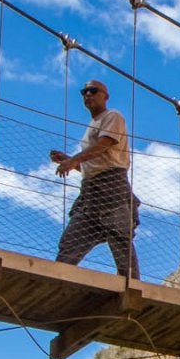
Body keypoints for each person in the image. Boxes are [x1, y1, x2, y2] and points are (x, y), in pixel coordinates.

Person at [50, 80, 137, 277]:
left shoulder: (112, 116)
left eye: (93, 90)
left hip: (111, 186)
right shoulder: (92, 125)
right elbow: (97, 163)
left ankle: (132, 285)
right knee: (71, 241)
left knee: (119, 237)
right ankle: (56, 279)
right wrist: (71, 162)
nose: (87, 94)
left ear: (105, 96)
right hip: (90, 191)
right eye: (84, 91)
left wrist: (73, 160)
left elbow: (105, 144)